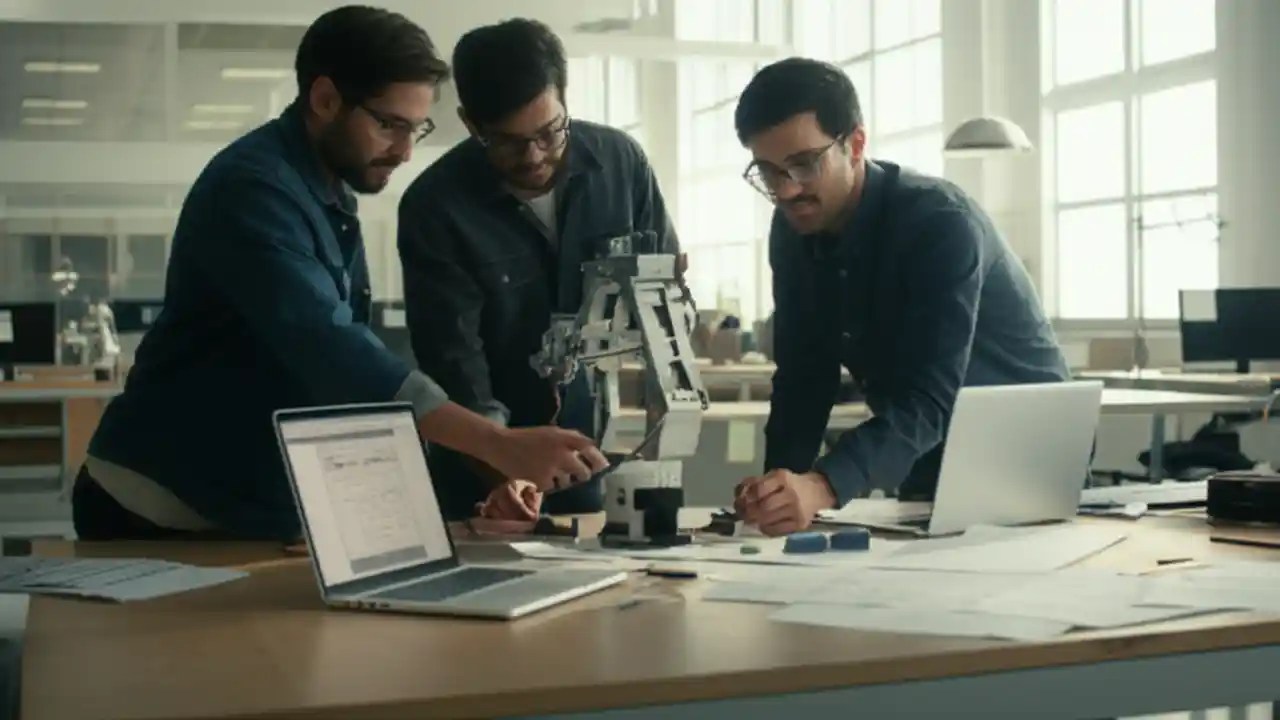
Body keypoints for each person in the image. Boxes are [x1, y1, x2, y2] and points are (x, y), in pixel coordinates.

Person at [74, 6, 607, 542]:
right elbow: (334, 353)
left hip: (249, 506)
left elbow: (332, 388)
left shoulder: (327, 192)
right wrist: (497, 444)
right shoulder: (254, 190)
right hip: (159, 504)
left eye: (416, 129)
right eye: (389, 125)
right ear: (326, 100)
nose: (404, 151)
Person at [731, 58, 1070, 537]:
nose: (786, 191)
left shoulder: (940, 223)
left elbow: (929, 397)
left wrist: (822, 486)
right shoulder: (793, 230)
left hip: (1028, 455)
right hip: (924, 452)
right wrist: (780, 490)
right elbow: (804, 378)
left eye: (804, 165)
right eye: (768, 173)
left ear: (855, 144)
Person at [397, 18, 680, 521]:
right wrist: (501, 466)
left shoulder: (621, 165)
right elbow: (455, 359)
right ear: (470, 123)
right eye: (508, 142)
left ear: (565, 99)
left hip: (585, 453)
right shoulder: (435, 206)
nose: (534, 157)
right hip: (482, 466)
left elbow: (664, 293)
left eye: (549, 133)